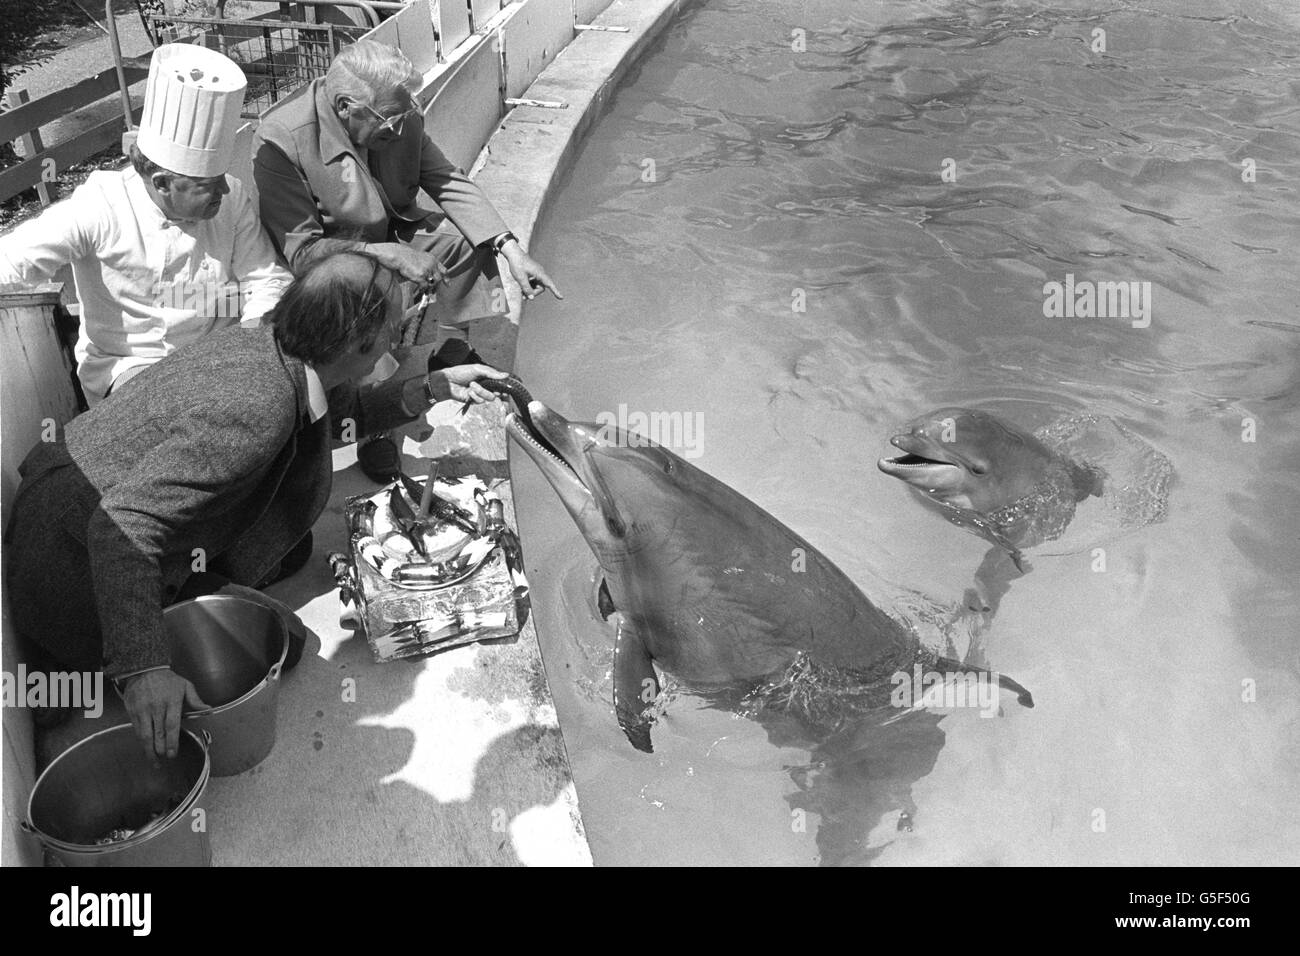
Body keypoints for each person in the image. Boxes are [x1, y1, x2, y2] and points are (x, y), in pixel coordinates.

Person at [3, 252, 508, 760]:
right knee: (283, 645)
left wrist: (430, 389)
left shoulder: (267, 345)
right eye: (392, 330)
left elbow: (339, 414)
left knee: (289, 546)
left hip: (71, 503)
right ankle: (72, 661)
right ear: (359, 344)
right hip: (71, 570)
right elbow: (123, 528)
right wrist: (143, 668)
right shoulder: (259, 408)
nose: (396, 340)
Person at [252, 39, 560, 479]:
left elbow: (446, 179)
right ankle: (374, 426)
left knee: (462, 242)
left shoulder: (397, 112)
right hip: (336, 259)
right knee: (370, 305)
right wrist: (385, 255)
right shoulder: (282, 139)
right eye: (389, 122)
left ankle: (450, 351)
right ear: (346, 107)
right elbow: (302, 252)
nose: (399, 129)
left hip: (391, 228)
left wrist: (511, 249)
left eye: (403, 117)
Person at [0, 45, 292, 406]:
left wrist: (251, 338)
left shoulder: (232, 198)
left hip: (222, 355)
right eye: (206, 183)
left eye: (220, 177)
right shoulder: (101, 208)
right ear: (161, 182)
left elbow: (266, 279)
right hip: (129, 366)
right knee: (174, 417)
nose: (223, 188)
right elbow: (12, 261)